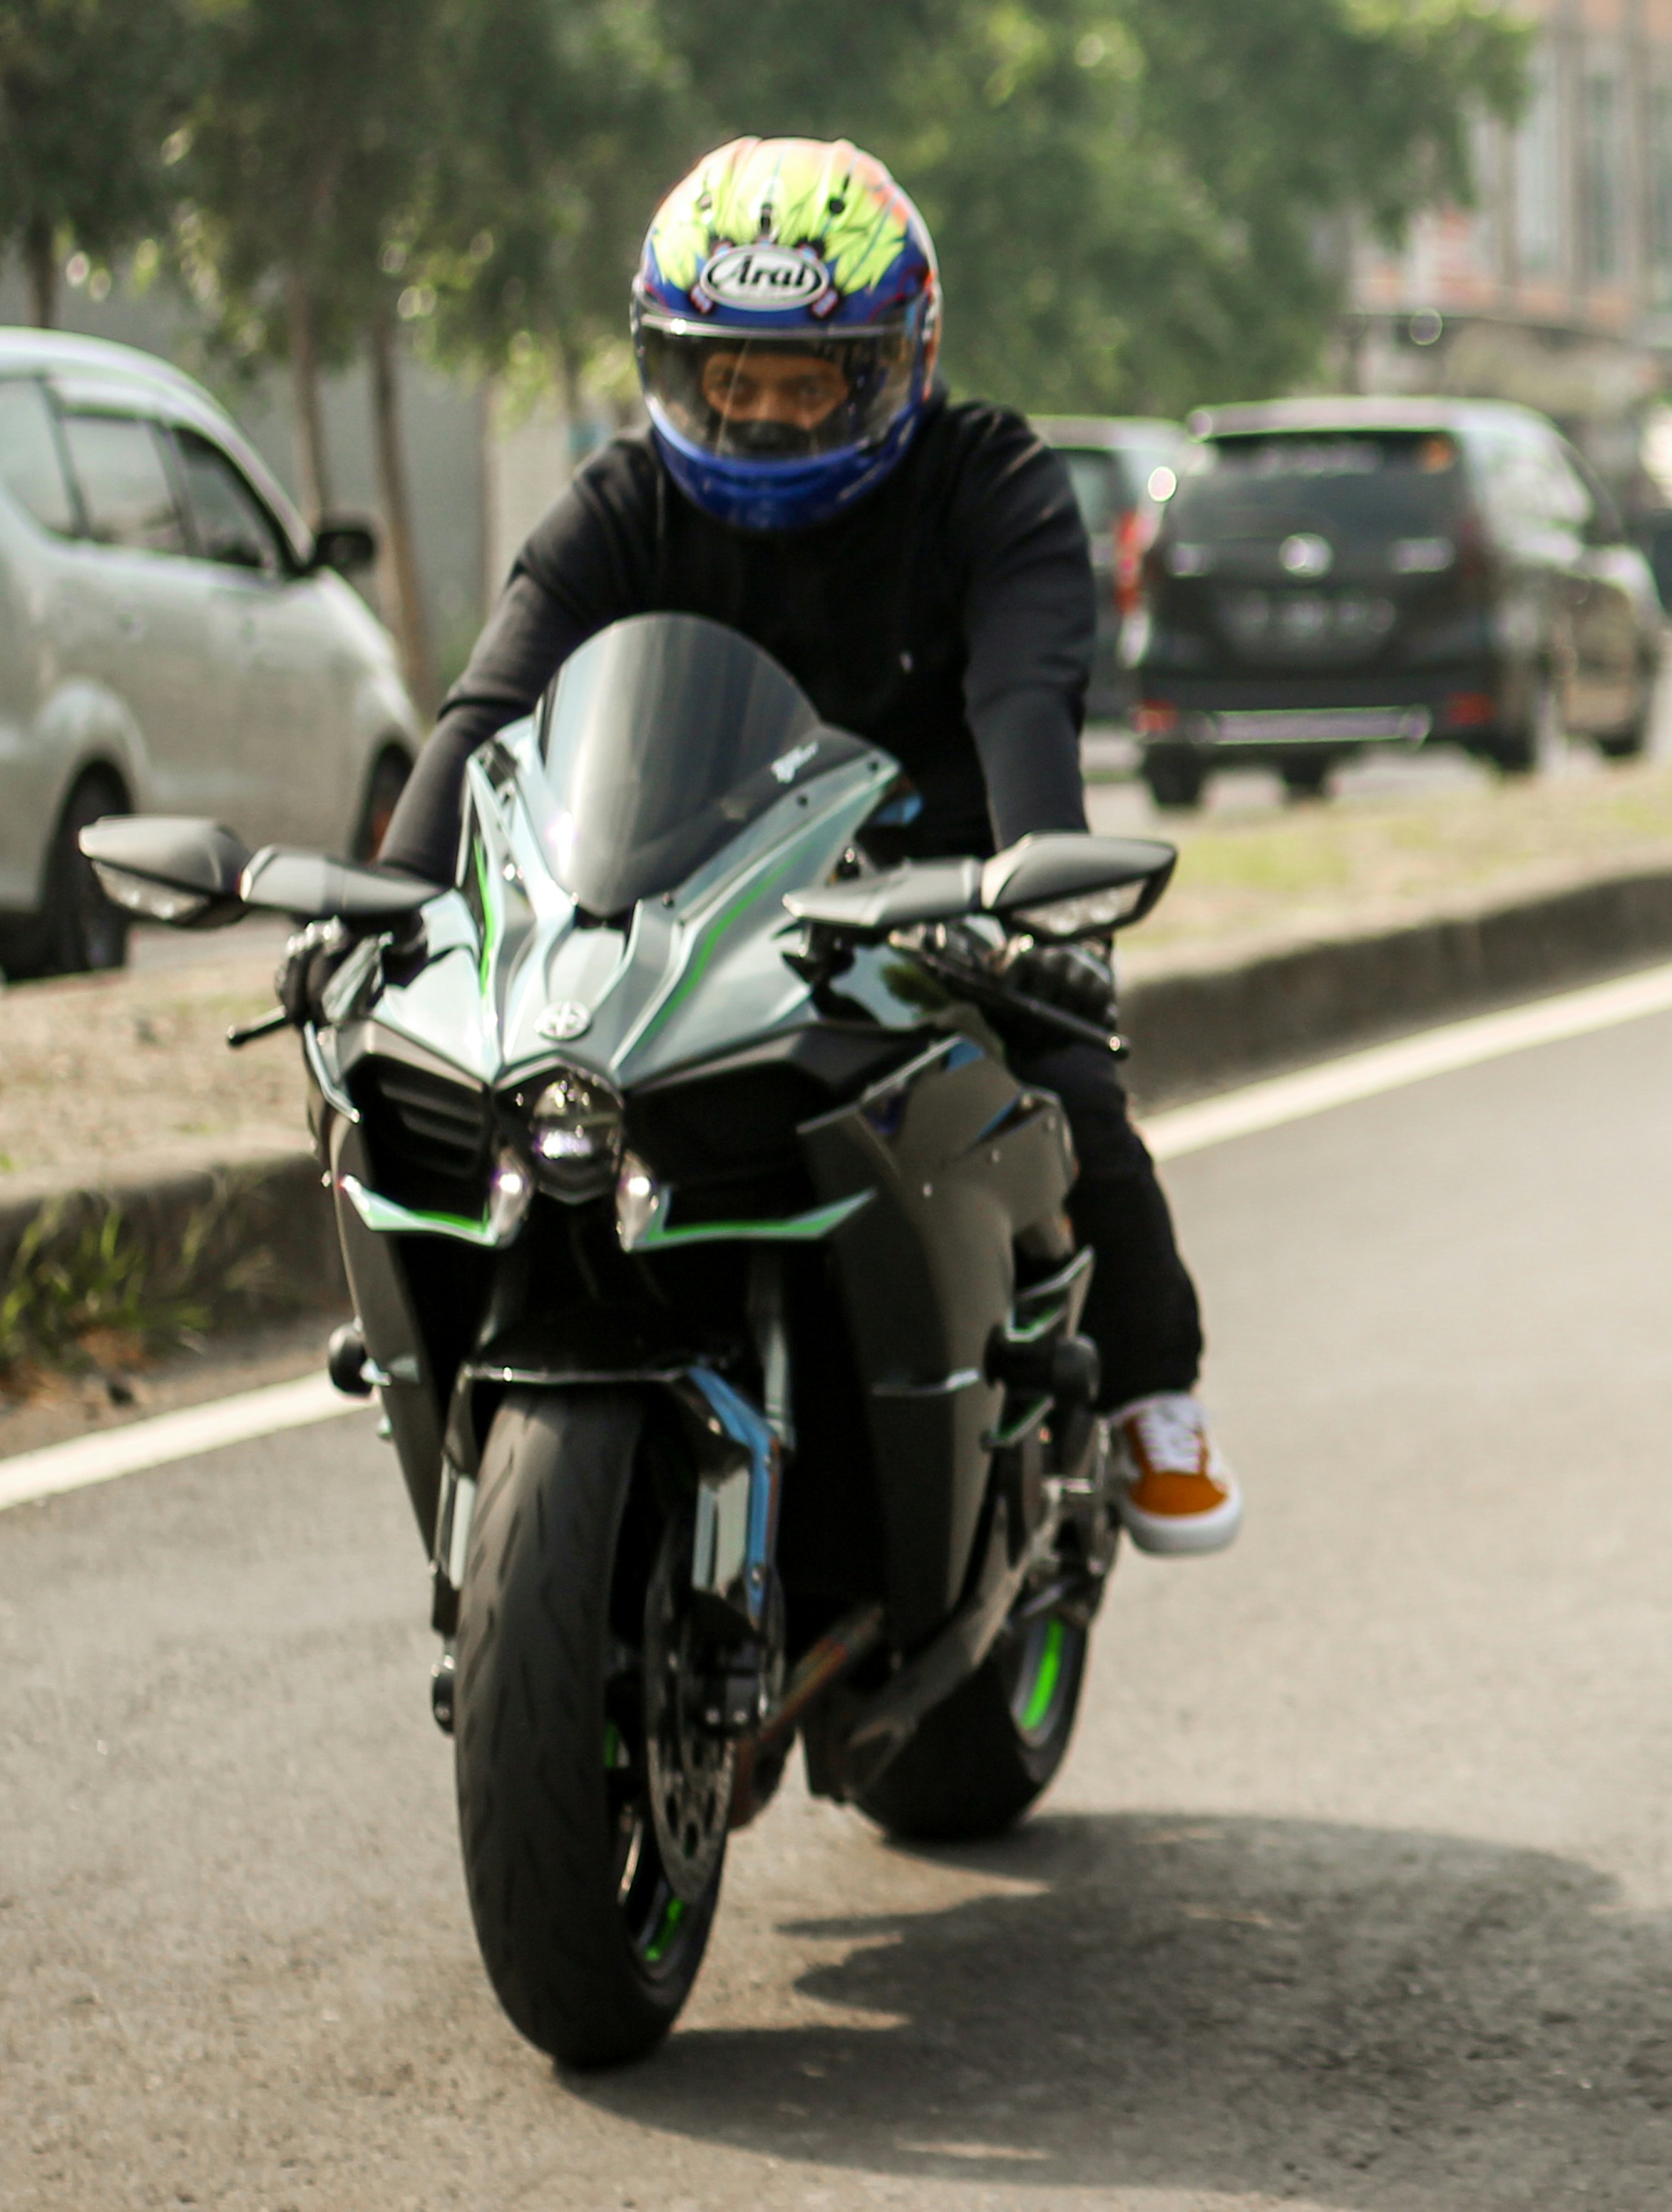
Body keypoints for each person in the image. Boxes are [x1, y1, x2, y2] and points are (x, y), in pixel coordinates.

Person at [365, 135, 1241, 1558]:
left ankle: (1153, 1392)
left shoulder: (990, 484)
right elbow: (487, 708)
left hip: (931, 900)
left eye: (808, 383)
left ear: (895, 364)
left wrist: (1042, 901)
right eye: (732, 379)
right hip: (677, 903)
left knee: (1070, 1088)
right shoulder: (620, 501)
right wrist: (388, 909)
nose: (766, 416)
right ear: (676, 370)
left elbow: (1026, 702)